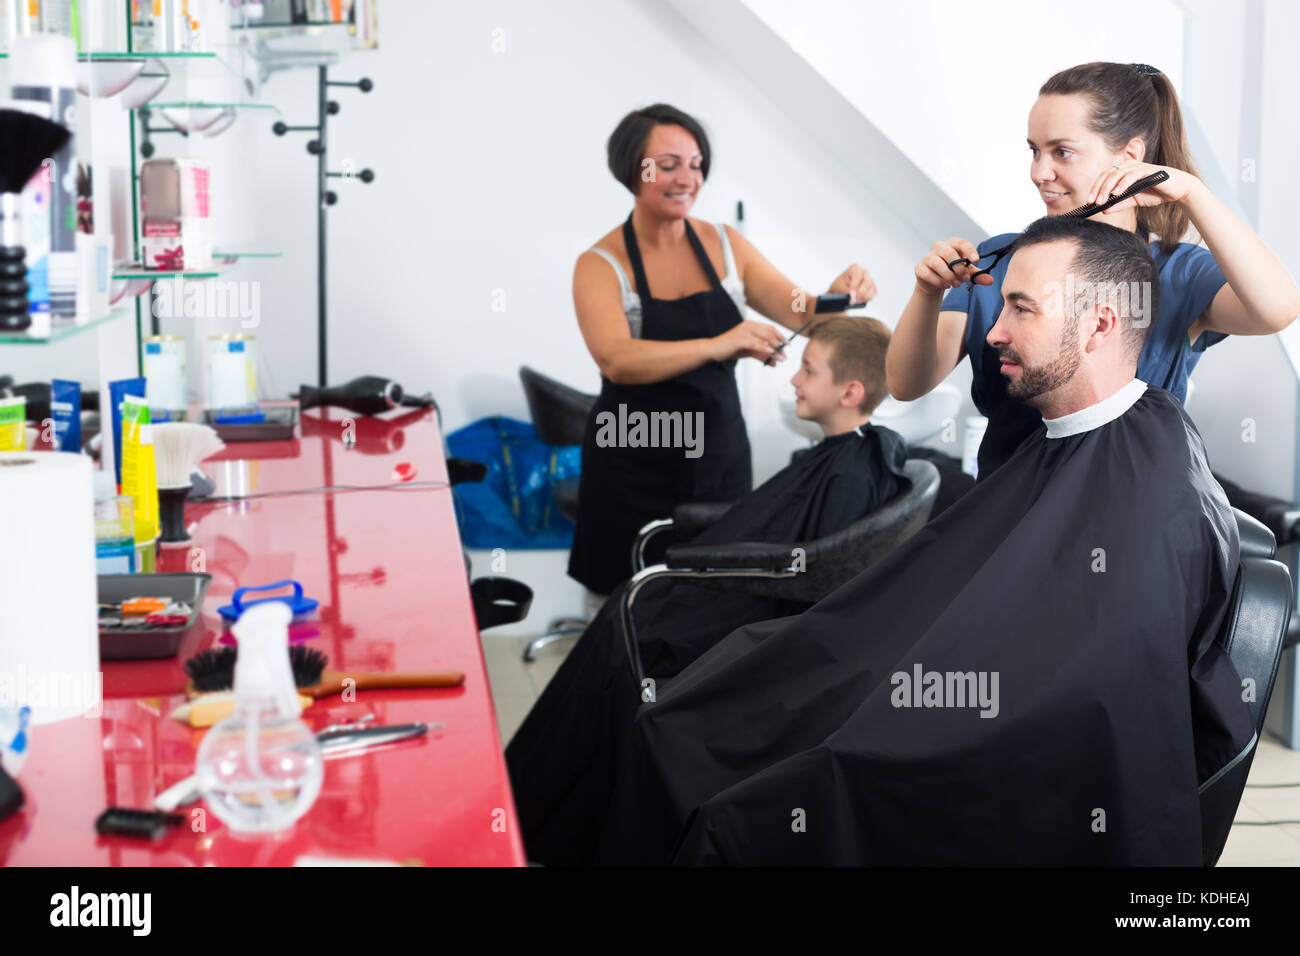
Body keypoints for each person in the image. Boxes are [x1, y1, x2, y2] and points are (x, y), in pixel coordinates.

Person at [595, 215, 1255, 866]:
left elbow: (1083, 699)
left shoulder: (1149, 484)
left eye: (1020, 310)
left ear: (1102, 325)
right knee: (687, 712)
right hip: (923, 683)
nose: (993, 332)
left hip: (983, 753)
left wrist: (880, 731)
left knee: (736, 789)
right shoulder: (1068, 444)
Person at [509, 315, 910, 866]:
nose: (794, 379)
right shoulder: (846, 457)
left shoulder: (849, 474)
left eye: (808, 371)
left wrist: (704, 569)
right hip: (749, 597)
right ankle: (542, 811)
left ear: (851, 392)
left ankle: (538, 815)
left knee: (623, 631)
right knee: (623, 622)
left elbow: (813, 578)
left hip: (764, 627)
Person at [887, 61, 1299, 479]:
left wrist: (1192, 193)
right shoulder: (997, 262)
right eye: (1034, 150)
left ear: (1130, 158)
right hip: (1008, 520)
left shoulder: (1178, 273)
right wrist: (926, 293)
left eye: (1061, 152)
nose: (1038, 173)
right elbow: (906, 385)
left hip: (1131, 523)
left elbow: (1277, 309)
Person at [569, 103, 879, 605]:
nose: (687, 178)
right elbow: (616, 358)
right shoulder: (601, 264)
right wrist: (720, 343)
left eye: (695, 165)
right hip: (631, 460)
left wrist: (838, 294)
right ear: (633, 169)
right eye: (668, 164)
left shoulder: (725, 246)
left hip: (716, 455)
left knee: (711, 601)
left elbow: (803, 311)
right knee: (620, 611)